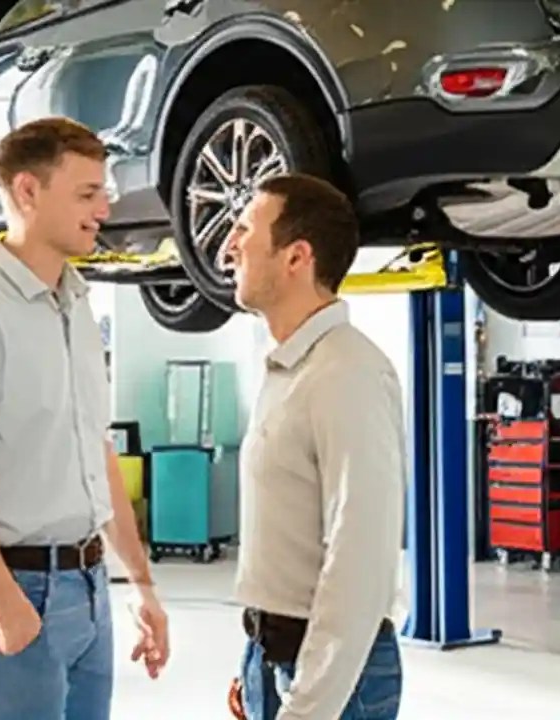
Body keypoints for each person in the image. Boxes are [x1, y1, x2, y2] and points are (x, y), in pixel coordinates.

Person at [0, 116, 170, 720]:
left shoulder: (77, 305)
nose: (105, 206)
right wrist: (7, 609)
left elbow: (96, 454)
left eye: (104, 190)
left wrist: (140, 584)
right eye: (87, 193)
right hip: (16, 590)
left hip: (90, 588)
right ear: (27, 192)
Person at [223, 173, 407, 720]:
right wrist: (255, 665)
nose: (230, 244)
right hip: (277, 656)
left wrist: (309, 706)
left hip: (332, 681)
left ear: (296, 256)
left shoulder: (346, 372)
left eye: (244, 229)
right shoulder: (291, 367)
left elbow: (360, 557)